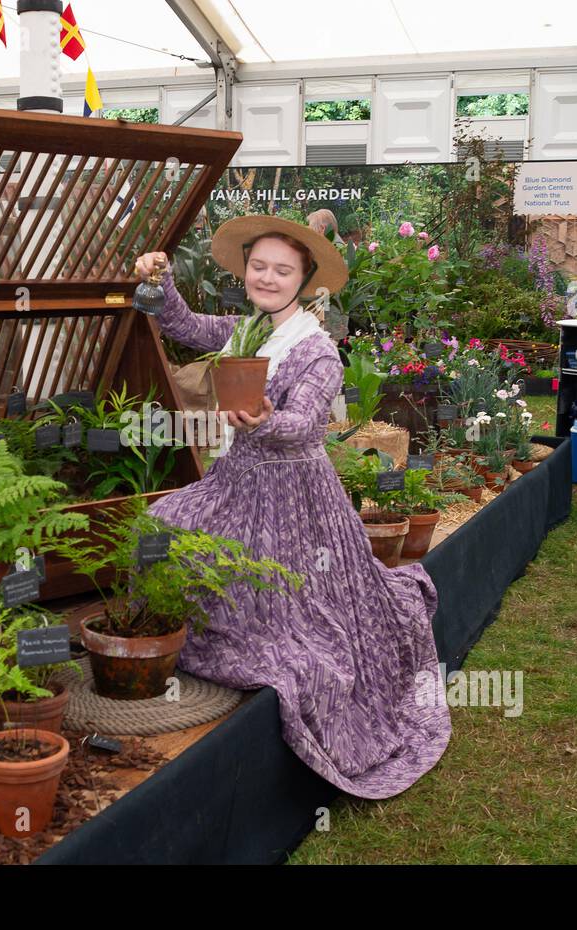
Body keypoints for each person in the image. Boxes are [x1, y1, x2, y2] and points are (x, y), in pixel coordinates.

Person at [132, 215, 450, 799]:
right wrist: (160, 277)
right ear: (245, 270)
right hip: (236, 482)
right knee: (161, 525)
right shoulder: (245, 331)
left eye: (283, 270)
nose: (268, 278)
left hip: (295, 497)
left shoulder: (316, 349)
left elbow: (304, 425)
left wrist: (264, 420)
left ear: (304, 280)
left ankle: (247, 641)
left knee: (286, 605)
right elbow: (182, 323)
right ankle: (167, 639)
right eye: (259, 266)